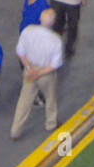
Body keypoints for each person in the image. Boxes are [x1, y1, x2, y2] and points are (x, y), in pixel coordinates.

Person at [11, 8, 64, 139]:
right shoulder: (56, 40)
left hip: (29, 70)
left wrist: (30, 69)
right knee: (50, 98)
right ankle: (51, 123)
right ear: (53, 23)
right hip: (45, 74)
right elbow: (54, 65)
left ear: (40, 19)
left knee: (24, 100)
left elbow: (20, 52)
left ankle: (15, 131)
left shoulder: (28, 31)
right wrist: (39, 72)